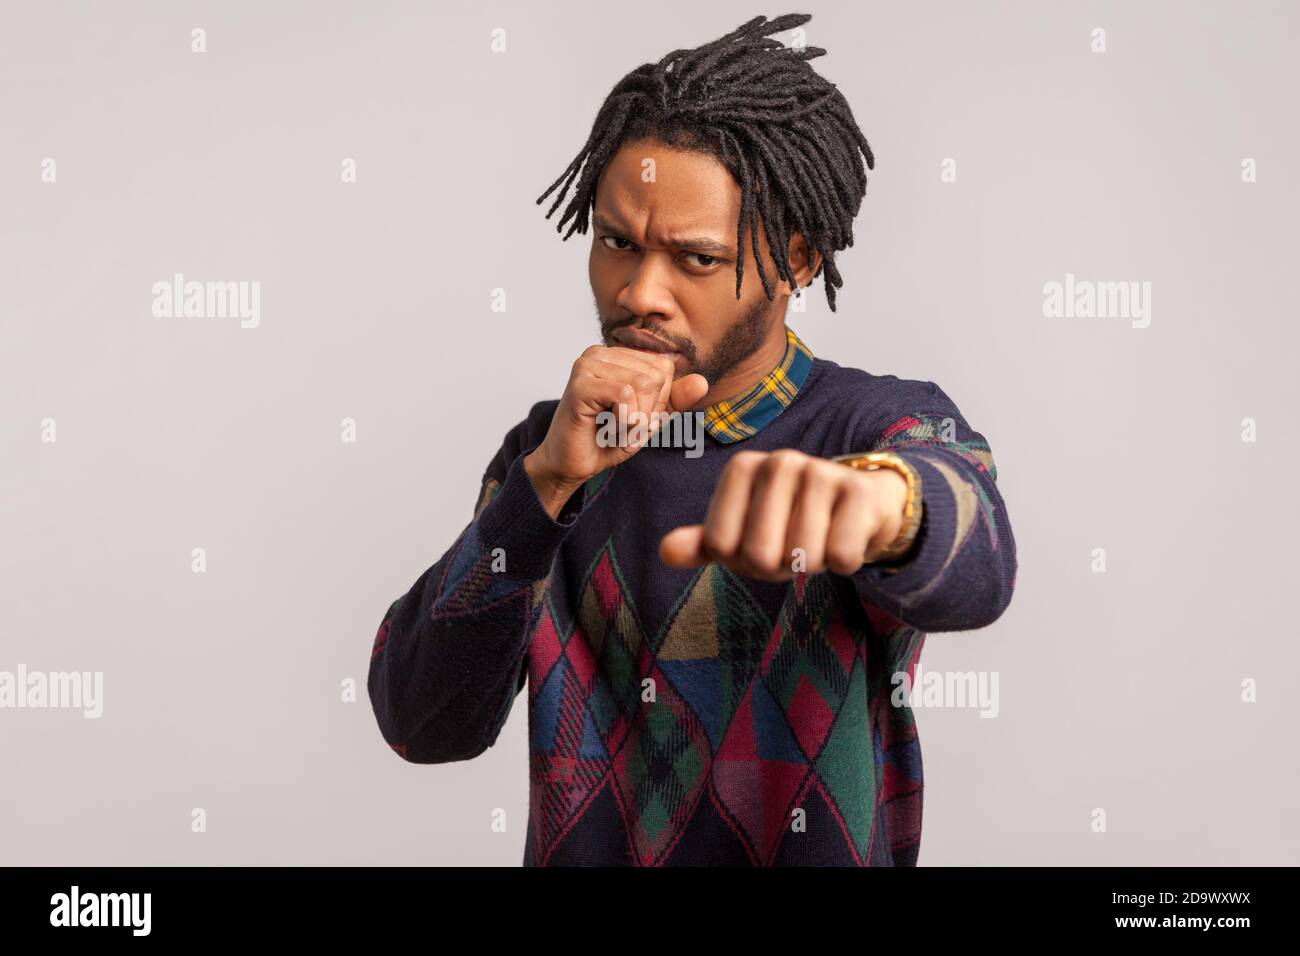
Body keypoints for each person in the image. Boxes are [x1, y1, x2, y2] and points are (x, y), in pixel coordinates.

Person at [368, 13, 1017, 866]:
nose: (641, 292)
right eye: (616, 243)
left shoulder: (871, 426)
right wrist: (544, 488)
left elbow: (980, 563)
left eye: (695, 259)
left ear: (796, 259)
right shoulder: (549, 449)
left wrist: (883, 506)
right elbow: (424, 722)